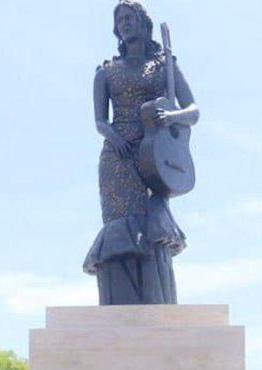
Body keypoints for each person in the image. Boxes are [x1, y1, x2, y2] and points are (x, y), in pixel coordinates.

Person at [84, 0, 200, 305]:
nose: (124, 23)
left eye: (129, 17)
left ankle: (155, 304)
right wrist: (113, 135)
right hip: (117, 158)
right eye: (119, 19)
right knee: (119, 228)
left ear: (143, 23)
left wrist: (172, 118)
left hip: (153, 157)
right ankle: (120, 306)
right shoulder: (106, 72)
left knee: (151, 229)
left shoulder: (166, 66)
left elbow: (193, 111)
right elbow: (99, 120)